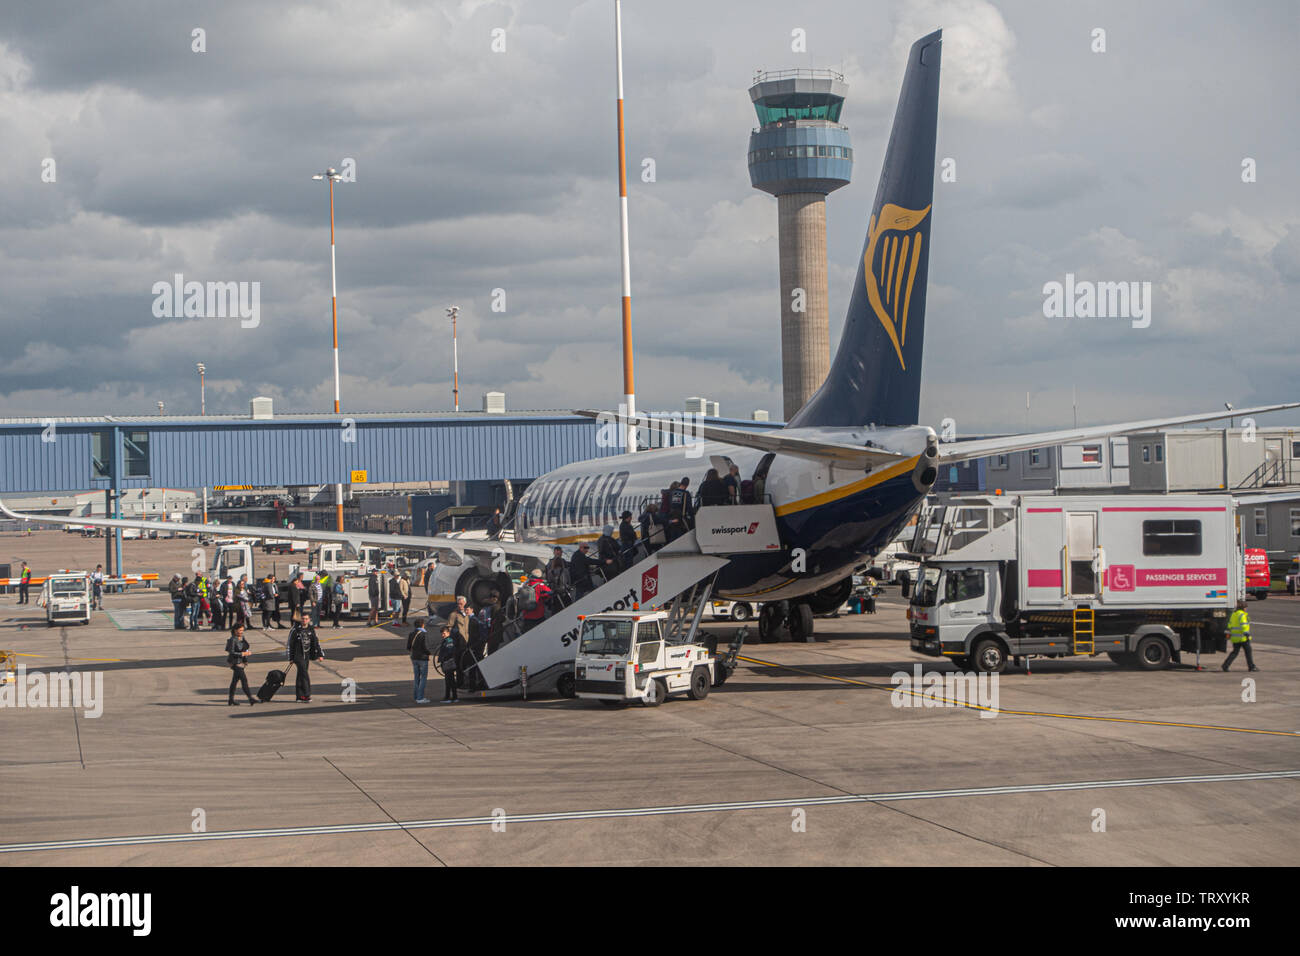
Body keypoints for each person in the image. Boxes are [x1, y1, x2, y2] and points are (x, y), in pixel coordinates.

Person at [287, 611, 324, 702]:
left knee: (301, 675)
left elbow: (316, 642)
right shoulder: (295, 630)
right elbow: (289, 644)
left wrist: (320, 654)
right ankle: (307, 695)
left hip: (307, 655)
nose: (304, 620)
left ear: (309, 620)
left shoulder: (311, 629)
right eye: (303, 619)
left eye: (306, 619)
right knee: (304, 674)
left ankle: (299, 696)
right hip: (298, 656)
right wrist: (290, 658)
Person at [225, 623, 257, 706]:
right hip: (235, 663)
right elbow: (231, 652)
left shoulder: (242, 638)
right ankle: (250, 698)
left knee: (234, 681)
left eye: (242, 630)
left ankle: (231, 699)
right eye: (239, 630)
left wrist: (245, 657)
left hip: (241, 662)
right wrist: (242, 654)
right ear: (235, 630)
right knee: (244, 680)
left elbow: (245, 648)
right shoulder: (232, 639)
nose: (241, 632)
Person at [1222, 599, 1259, 672]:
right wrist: (1246, 633)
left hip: (1235, 637)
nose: (1246, 609)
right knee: (1248, 652)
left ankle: (1225, 665)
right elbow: (1244, 625)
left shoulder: (1234, 614)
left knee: (1235, 652)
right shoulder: (1242, 615)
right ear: (1243, 608)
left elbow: (1230, 624)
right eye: (1246, 607)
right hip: (1243, 637)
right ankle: (1251, 666)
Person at [407, 618, 431, 704]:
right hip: (423, 658)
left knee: (416, 678)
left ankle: (416, 696)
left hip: (414, 658)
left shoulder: (411, 634)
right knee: (423, 678)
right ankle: (420, 697)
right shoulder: (424, 634)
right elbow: (425, 647)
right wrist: (429, 653)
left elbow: (408, 647)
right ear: (422, 625)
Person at [435, 625, 459, 702]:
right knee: (450, 680)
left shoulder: (449, 641)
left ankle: (448, 697)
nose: (442, 635)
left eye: (444, 633)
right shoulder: (447, 640)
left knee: (449, 681)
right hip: (448, 663)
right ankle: (453, 697)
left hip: (448, 663)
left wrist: (444, 660)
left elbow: (449, 652)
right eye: (442, 634)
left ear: (448, 633)